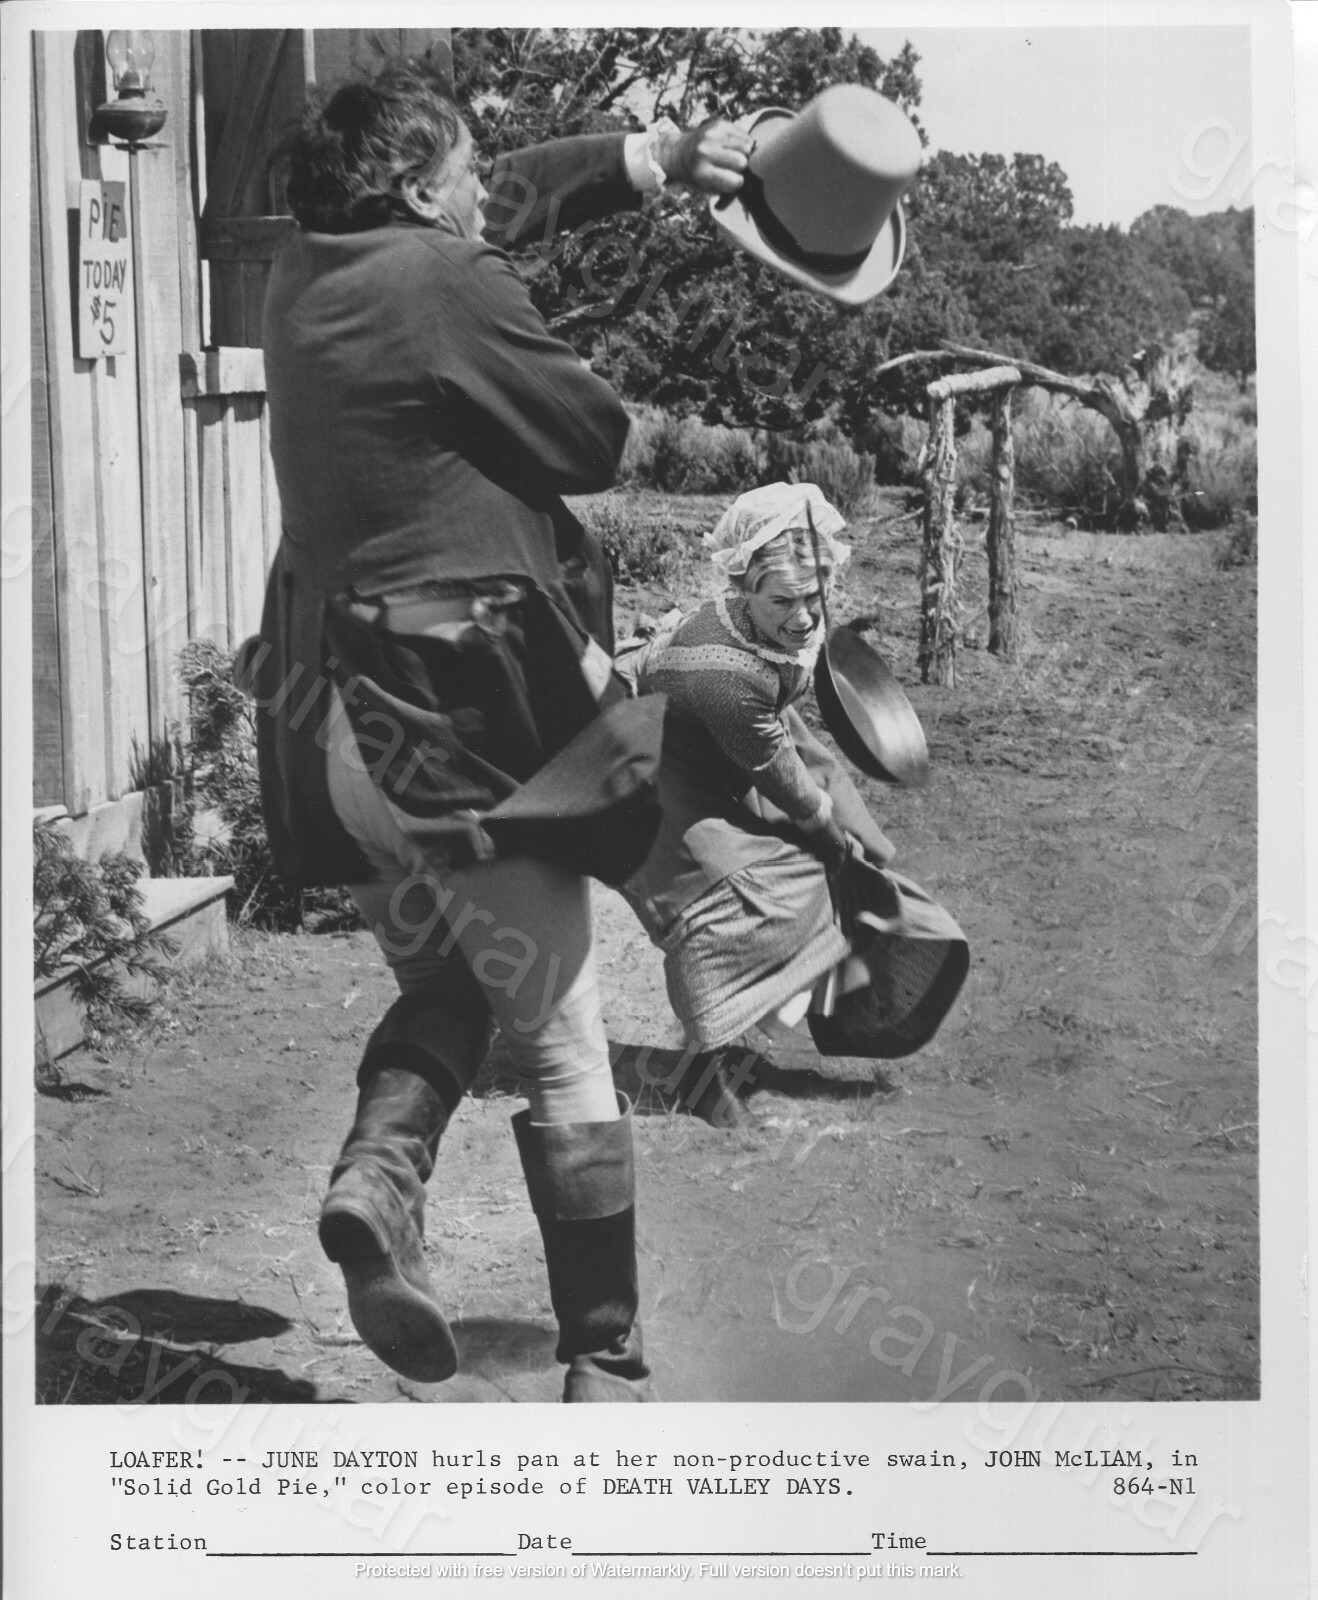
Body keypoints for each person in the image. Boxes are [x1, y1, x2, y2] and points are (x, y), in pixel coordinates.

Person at [248, 52, 751, 1401]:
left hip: (329, 731)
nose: (488, 200)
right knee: (564, 1041)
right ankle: (606, 1369)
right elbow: (591, 437)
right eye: (466, 179)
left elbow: (490, 207)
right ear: (422, 189)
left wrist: (647, 160)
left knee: (446, 984)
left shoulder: (302, 268)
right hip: (449, 720)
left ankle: (379, 1177)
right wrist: (500, 356)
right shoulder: (453, 280)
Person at [618, 482, 964, 1120]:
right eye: (783, 600)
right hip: (655, 759)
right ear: (742, 588)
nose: (804, 616)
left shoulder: (767, 624)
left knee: (856, 869)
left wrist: (845, 841)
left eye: (814, 596)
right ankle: (703, 1069)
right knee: (741, 901)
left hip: (734, 743)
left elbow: (796, 705)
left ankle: (740, 1039)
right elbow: (791, 789)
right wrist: (830, 840)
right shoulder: (721, 676)